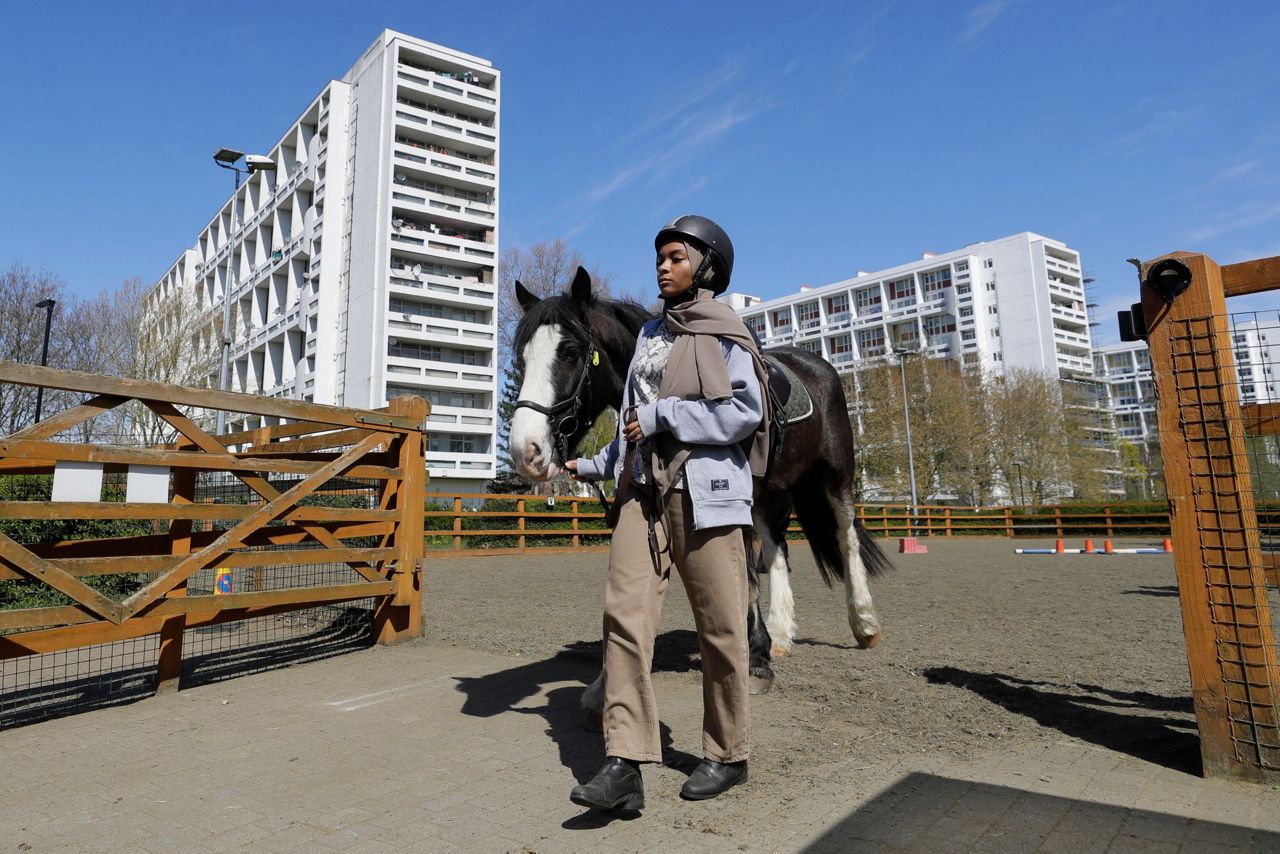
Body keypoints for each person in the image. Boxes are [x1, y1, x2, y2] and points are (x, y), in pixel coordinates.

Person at [565, 215, 772, 811]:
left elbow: (742, 416)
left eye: (676, 256)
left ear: (706, 266)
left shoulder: (727, 334)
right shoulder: (651, 335)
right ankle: (624, 762)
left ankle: (728, 753)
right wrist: (586, 466)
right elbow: (635, 427)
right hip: (641, 494)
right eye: (659, 257)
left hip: (707, 497)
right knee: (624, 618)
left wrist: (666, 416)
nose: (663, 265)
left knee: (723, 628)